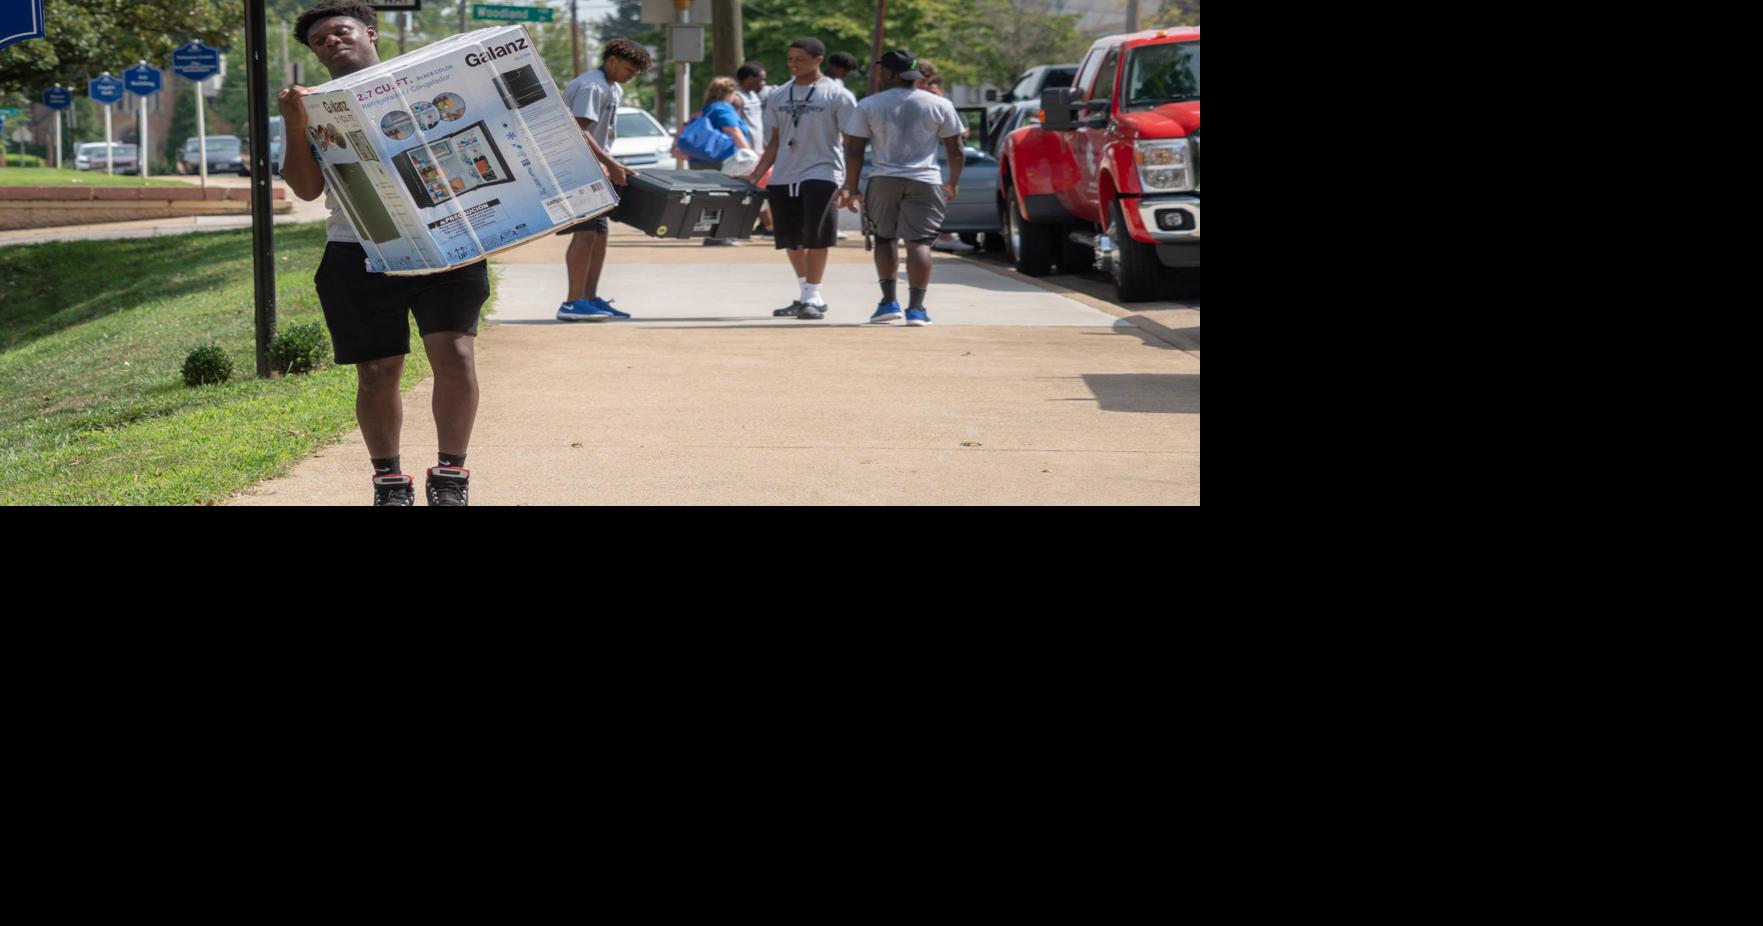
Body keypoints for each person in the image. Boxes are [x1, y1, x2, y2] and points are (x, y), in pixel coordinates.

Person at [279, 0, 488, 505]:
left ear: (370, 32)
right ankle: (389, 481)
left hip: (447, 244)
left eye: (339, 31)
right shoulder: (311, 104)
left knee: (455, 355)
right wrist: (293, 123)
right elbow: (305, 191)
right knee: (376, 372)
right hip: (358, 251)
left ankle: (450, 476)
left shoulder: (423, 83)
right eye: (319, 41)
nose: (330, 41)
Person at [840, 49, 964, 328]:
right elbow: (956, 149)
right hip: (925, 180)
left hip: (883, 178)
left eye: (883, 70)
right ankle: (917, 310)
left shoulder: (869, 105)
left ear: (891, 73)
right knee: (919, 244)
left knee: (884, 239)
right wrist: (953, 182)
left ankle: (888, 303)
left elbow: (854, 150)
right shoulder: (939, 104)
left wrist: (852, 187)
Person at [743, 38, 857, 321]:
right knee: (791, 238)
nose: (793, 64)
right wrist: (757, 174)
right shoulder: (779, 95)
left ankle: (813, 294)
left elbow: (852, 141)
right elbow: (775, 141)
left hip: (823, 171)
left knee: (817, 235)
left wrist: (849, 184)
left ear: (819, 59)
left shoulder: (838, 95)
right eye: (790, 59)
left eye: (800, 59)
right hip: (785, 173)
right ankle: (807, 293)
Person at [556, 39, 652, 322]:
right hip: (578, 168)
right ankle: (572, 302)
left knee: (599, 233)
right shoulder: (591, 86)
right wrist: (609, 163)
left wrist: (610, 164)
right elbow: (579, 131)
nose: (630, 76)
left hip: (596, 170)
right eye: (628, 69)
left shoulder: (612, 87)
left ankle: (589, 297)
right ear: (611, 60)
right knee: (585, 233)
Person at [673, 77, 754, 246]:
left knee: (712, 197)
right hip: (721, 159)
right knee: (727, 196)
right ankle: (719, 235)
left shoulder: (707, 108)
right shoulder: (724, 108)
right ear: (731, 92)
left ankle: (714, 234)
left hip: (700, 160)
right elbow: (733, 130)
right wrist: (749, 153)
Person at [735, 61, 774, 237]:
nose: (763, 83)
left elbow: (756, 125)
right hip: (745, 154)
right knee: (752, 188)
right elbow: (735, 126)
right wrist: (747, 149)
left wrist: (766, 146)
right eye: (761, 79)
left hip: (758, 151)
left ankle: (766, 225)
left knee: (760, 188)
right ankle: (767, 226)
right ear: (749, 79)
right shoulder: (737, 97)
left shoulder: (754, 96)